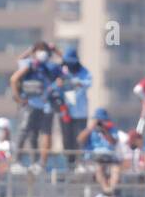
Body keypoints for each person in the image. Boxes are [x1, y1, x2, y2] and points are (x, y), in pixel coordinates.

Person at [10, 41, 59, 169]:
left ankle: (34, 163)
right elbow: (14, 79)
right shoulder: (30, 64)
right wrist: (18, 98)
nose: (42, 53)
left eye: (44, 50)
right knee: (23, 131)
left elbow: (66, 66)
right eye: (40, 50)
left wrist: (56, 50)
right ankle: (16, 161)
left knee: (34, 136)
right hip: (29, 104)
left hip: (43, 105)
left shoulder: (49, 66)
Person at [78, 107, 121, 197]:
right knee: (99, 168)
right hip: (95, 155)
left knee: (115, 169)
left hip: (109, 155)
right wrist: (90, 128)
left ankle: (110, 190)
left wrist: (105, 130)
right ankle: (106, 191)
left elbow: (114, 142)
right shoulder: (90, 130)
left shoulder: (111, 129)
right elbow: (80, 139)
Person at [58, 47, 92, 164]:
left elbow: (88, 83)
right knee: (67, 140)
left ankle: (79, 163)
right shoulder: (63, 71)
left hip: (80, 112)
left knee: (79, 139)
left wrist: (77, 82)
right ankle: (69, 163)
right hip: (66, 112)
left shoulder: (84, 72)